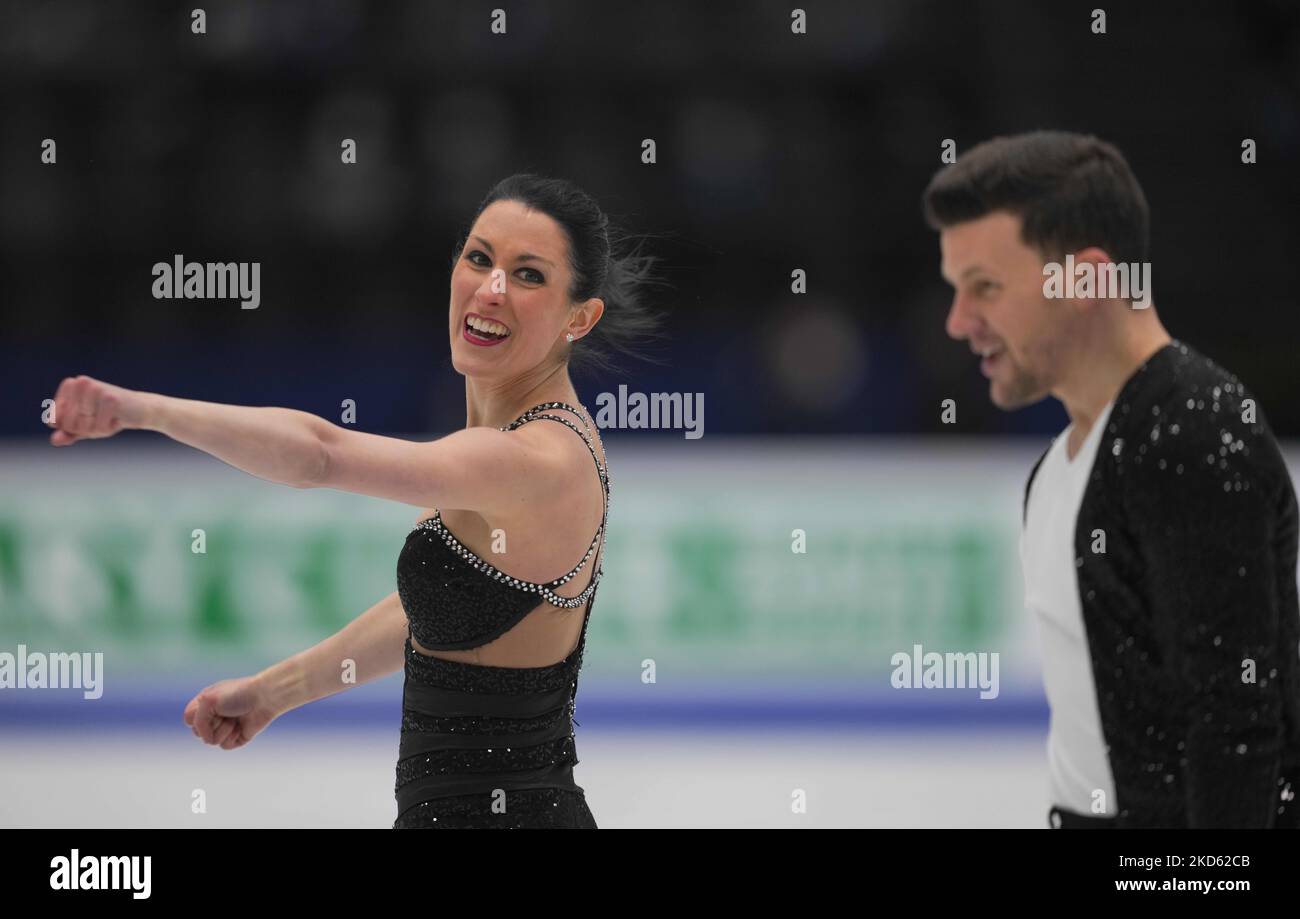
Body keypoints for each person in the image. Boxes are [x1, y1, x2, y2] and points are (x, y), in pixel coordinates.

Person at [46, 173, 666, 828]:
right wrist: (273, 693)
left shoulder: (537, 458)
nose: (491, 289)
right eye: (479, 258)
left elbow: (321, 454)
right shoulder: (502, 446)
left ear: (581, 315)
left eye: (529, 274)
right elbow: (438, 610)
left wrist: (140, 410)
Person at [922, 130, 1300, 828]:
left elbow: (1237, 727)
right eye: (956, 290)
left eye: (986, 288)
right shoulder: (1062, 465)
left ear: (1088, 278)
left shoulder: (1189, 432)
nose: (958, 322)